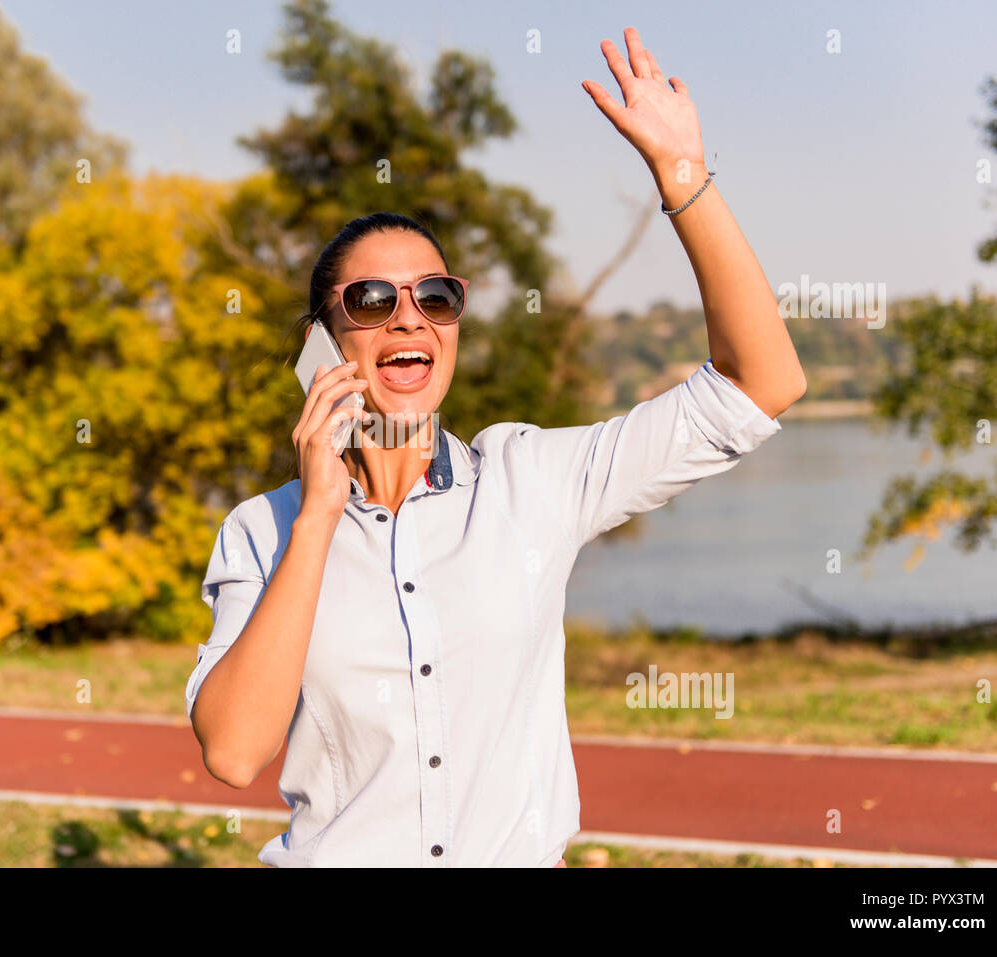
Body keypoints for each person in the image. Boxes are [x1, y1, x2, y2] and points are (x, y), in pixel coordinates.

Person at [185, 27, 807, 867]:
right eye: (372, 299)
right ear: (323, 344)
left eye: (435, 297)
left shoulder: (529, 480)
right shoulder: (262, 532)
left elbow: (760, 383)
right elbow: (232, 750)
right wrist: (320, 514)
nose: (410, 317)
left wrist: (683, 180)